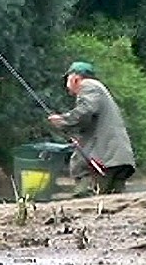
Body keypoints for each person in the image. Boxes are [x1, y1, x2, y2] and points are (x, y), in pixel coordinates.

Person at [47, 61, 136, 196]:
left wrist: (64, 120)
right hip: (117, 159)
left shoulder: (88, 86)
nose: (67, 85)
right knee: (112, 204)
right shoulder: (100, 90)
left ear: (75, 78)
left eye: (67, 79)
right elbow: (89, 119)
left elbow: (85, 111)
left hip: (103, 160)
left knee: (85, 197)